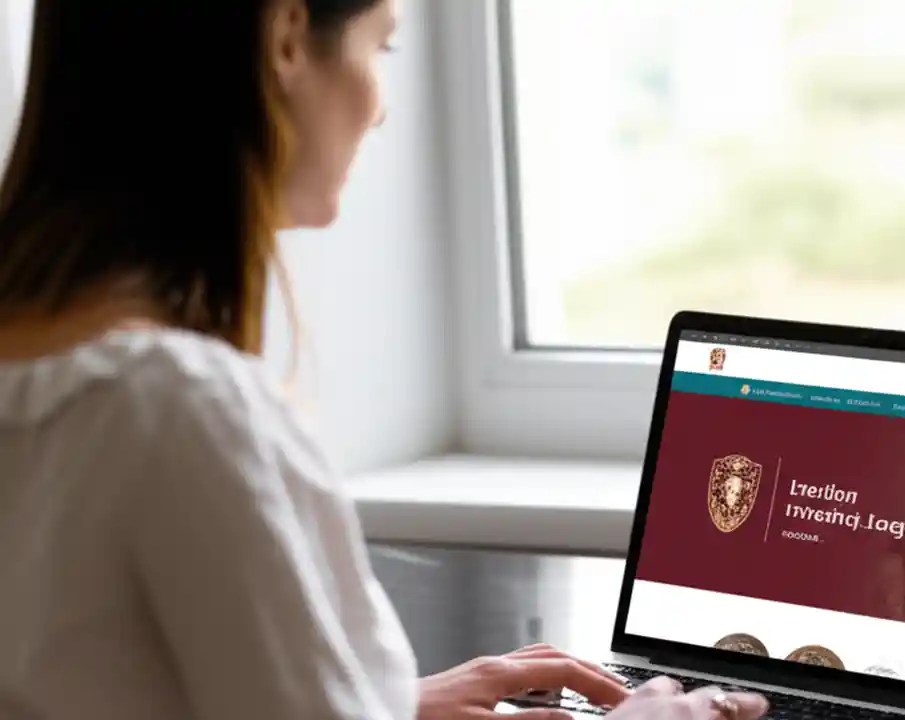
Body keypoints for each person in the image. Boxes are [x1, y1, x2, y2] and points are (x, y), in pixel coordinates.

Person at [0, 3, 769, 720]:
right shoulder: (178, 409)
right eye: (381, 45)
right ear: (289, 38)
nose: (381, 103)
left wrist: (383, 701)